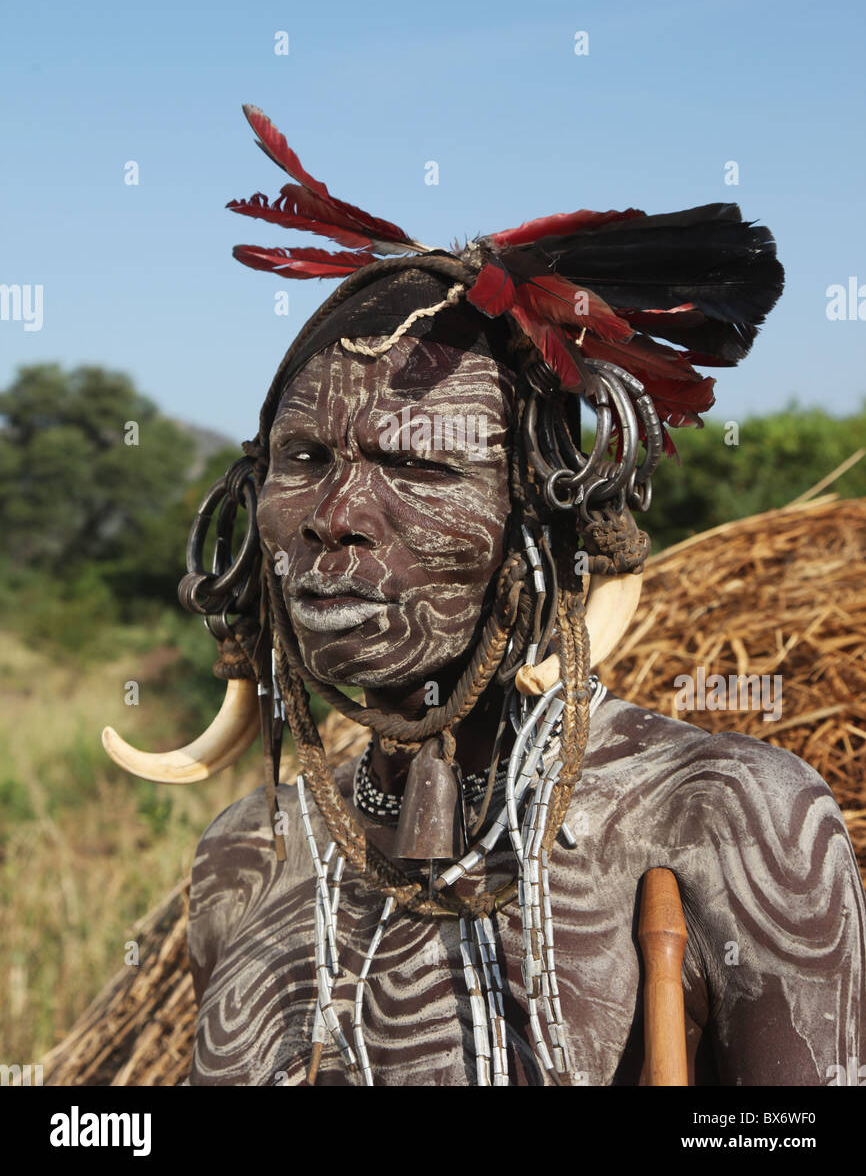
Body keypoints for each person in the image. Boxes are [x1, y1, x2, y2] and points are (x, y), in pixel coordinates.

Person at [105, 108, 866, 1086]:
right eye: (302, 458)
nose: (334, 513)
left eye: (416, 466)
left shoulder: (728, 819)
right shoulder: (247, 856)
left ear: (537, 518)